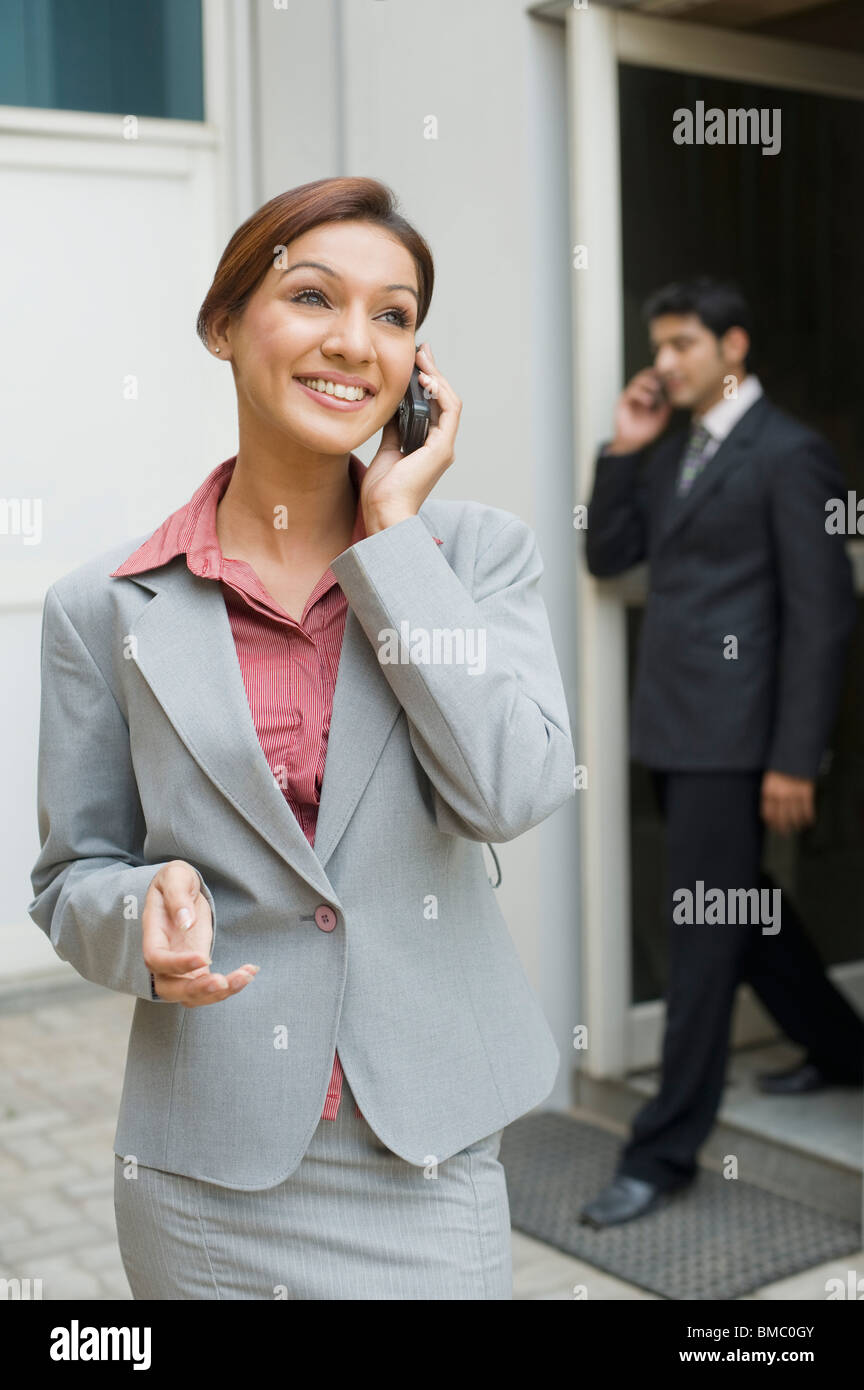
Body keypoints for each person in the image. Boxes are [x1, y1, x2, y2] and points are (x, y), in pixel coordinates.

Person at [28, 176, 576, 1298]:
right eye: (313, 296)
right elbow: (71, 874)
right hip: (205, 1175)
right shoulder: (104, 605)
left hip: (424, 1154)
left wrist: (394, 542)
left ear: (418, 368)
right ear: (224, 325)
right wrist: (140, 920)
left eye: (393, 313)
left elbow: (513, 789)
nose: (353, 341)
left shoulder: (472, 558)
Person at [580, 276, 864, 1228]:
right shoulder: (667, 452)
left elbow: (823, 620)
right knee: (744, 904)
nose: (663, 363)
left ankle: (662, 1152)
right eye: (658, 347)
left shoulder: (792, 456)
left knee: (703, 928)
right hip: (673, 727)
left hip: (742, 742)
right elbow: (608, 556)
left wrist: (795, 757)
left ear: (732, 346)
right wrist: (622, 446)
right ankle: (845, 1049)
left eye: (681, 346)